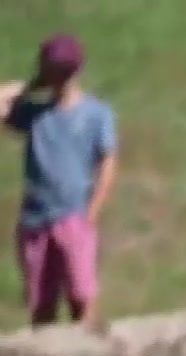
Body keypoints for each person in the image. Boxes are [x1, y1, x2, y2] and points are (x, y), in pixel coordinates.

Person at [1, 34, 117, 329]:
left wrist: (92, 212)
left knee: (81, 298)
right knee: (42, 306)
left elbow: (107, 163)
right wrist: (31, 85)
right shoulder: (35, 114)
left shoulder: (96, 115)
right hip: (36, 221)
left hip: (73, 217)